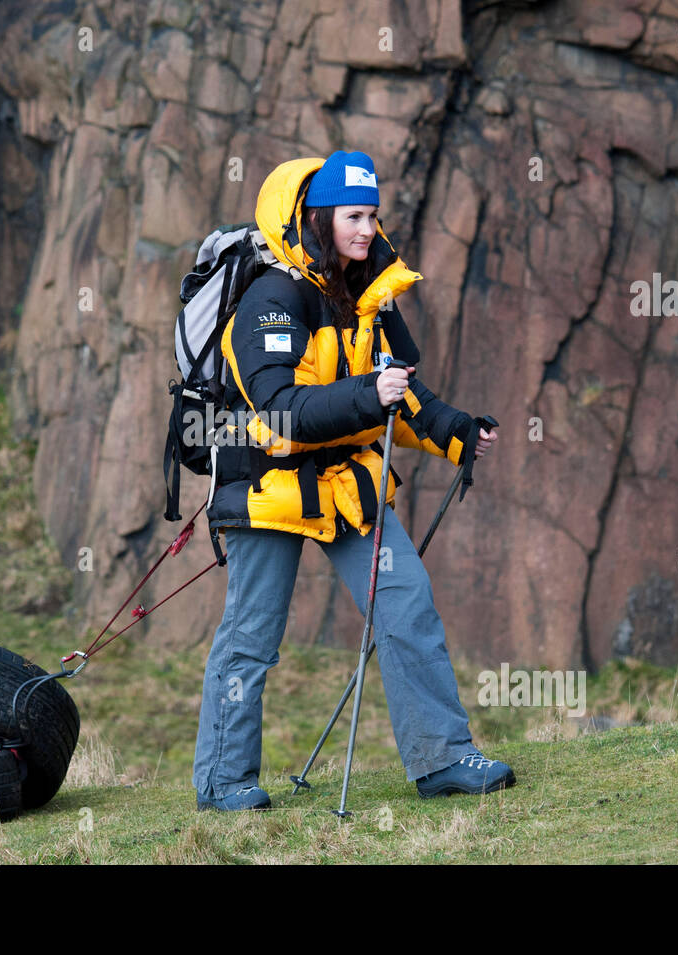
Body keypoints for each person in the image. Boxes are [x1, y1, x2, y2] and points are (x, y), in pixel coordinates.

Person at [193, 150, 514, 811]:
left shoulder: (370, 292)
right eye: (353, 216)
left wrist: (457, 432)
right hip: (269, 489)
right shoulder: (271, 299)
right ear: (319, 218)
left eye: (372, 215)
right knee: (251, 638)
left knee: (408, 606)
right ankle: (225, 782)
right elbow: (282, 409)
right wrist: (371, 393)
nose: (367, 229)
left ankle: (445, 758)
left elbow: (402, 388)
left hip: (348, 487)